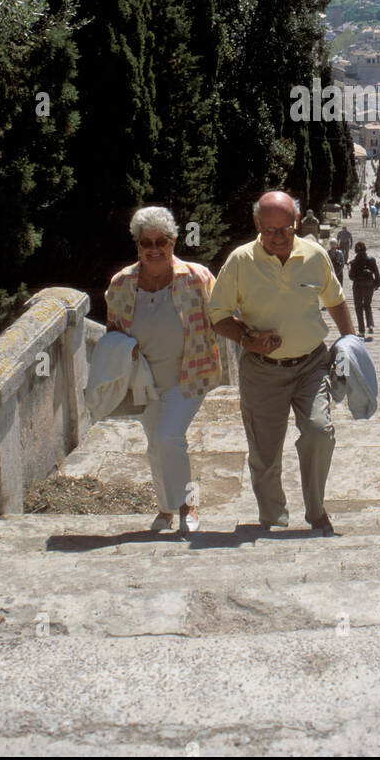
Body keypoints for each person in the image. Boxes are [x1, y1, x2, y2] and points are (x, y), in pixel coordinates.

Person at [208, 192, 357, 535]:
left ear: (297, 223)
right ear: (257, 224)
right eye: (270, 230)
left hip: (311, 365)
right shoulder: (240, 261)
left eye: (285, 230)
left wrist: (350, 344)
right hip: (262, 371)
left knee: (320, 433)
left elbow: (335, 301)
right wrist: (248, 339)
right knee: (264, 452)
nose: (277, 237)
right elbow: (218, 315)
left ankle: (316, 511)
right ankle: (273, 518)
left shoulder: (314, 255)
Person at [105, 207, 225, 536]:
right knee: (154, 446)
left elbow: (224, 312)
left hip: (189, 375)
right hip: (144, 380)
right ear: (137, 245)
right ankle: (165, 509)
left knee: (168, 437)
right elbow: (112, 332)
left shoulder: (196, 277)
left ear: (173, 242)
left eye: (162, 241)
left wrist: (251, 336)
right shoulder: (122, 284)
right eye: (147, 242)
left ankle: (188, 506)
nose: (154, 248)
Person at [349, 239, 380, 339]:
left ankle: (361, 330)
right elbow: (376, 273)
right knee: (367, 305)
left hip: (358, 286)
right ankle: (370, 325)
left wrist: (349, 269)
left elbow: (351, 277)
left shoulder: (354, 262)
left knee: (358, 307)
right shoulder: (371, 259)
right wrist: (376, 284)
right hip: (369, 285)